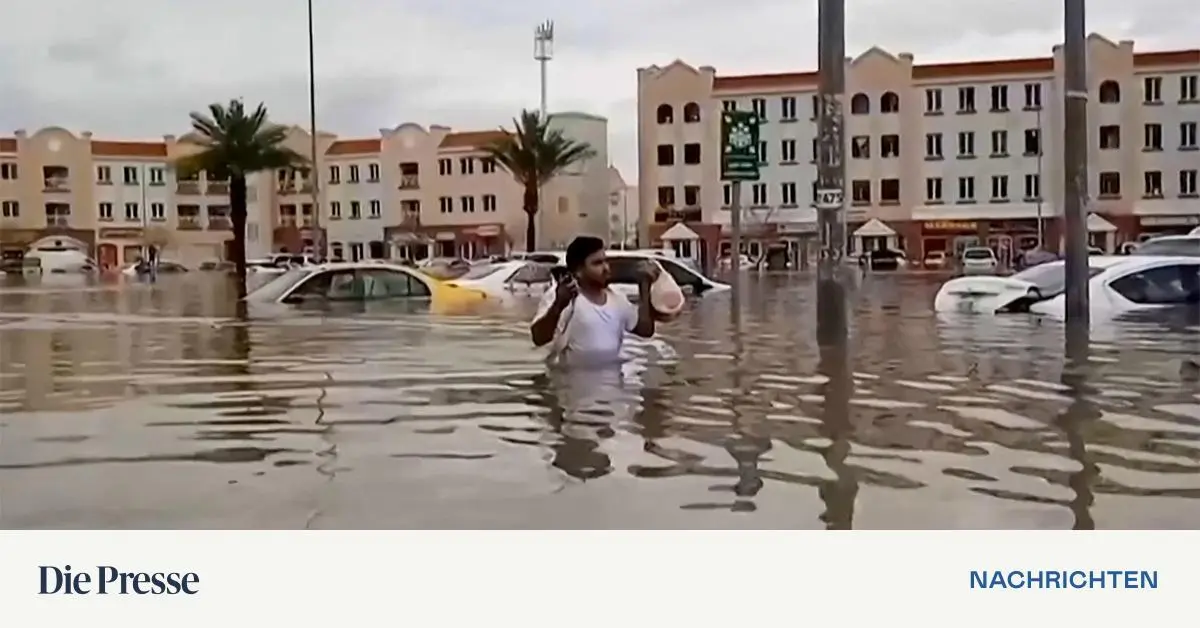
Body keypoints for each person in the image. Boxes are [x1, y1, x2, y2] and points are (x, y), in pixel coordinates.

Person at [530, 236, 659, 367]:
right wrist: (558, 305)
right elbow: (539, 338)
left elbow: (645, 331)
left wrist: (644, 286)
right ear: (578, 271)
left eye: (605, 261)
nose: (606, 268)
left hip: (612, 384)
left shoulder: (617, 299)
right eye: (597, 263)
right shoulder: (562, 296)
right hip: (570, 385)